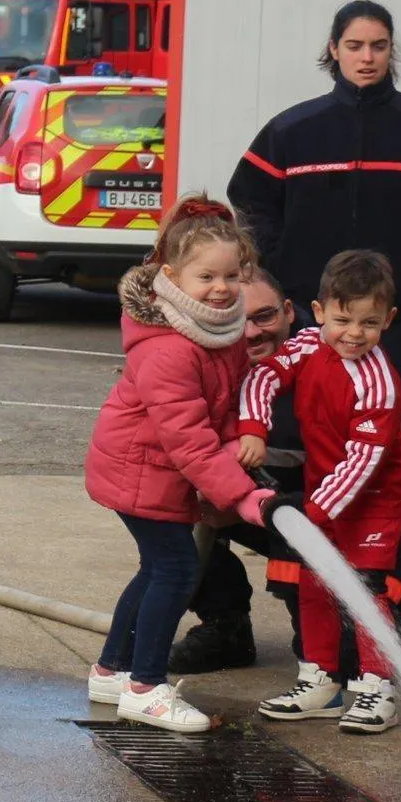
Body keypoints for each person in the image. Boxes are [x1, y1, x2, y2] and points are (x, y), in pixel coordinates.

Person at [227, 0, 401, 584]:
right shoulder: (294, 130)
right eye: (354, 46)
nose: (366, 58)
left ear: (392, 50)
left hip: (392, 327)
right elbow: (250, 203)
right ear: (333, 49)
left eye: (378, 46)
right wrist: (285, 270)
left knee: (394, 445)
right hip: (311, 324)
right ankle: (305, 569)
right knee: (302, 440)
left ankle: (397, 571)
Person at [84, 195, 276, 733]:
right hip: (141, 467)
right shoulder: (168, 346)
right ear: (170, 276)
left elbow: (231, 399)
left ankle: (110, 671)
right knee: (175, 569)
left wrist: (247, 434)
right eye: (205, 276)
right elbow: (187, 437)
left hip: (161, 466)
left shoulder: (220, 324)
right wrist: (240, 495)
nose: (221, 287)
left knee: (157, 567)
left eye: (231, 275)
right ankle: (145, 687)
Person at [239, 250, 401, 735]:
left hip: (373, 502)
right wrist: (254, 427)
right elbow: (264, 374)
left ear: (388, 321)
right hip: (324, 491)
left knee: (368, 591)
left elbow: (364, 462)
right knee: (313, 582)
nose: (354, 333)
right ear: (318, 313)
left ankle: (376, 688)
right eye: (342, 319)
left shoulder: (378, 384)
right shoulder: (307, 345)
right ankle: (320, 680)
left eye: (369, 323)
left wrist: (314, 512)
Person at [167, 267, 304, 674]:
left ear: (291, 312)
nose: (251, 333)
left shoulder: (334, 374)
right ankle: (225, 627)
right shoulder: (202, 371)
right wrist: (220, 495)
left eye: (264, 316)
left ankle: (335, 634)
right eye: (237, 319)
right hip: (247, 507)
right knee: (166, 508)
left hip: (330, 517)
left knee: (346, 657)